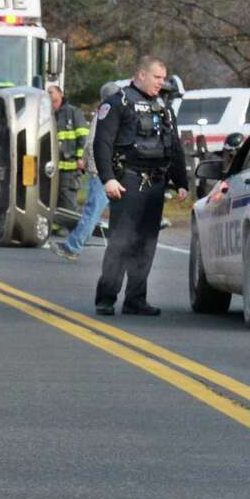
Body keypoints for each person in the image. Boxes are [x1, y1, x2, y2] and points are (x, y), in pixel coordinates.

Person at [91, 56, 188, 316]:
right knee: (121, 241)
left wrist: (181, 182)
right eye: (157, 77)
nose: (161, 83)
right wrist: (108, 178)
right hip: (128, 181)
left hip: (156, 182)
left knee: (146, 242)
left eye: (163, 78)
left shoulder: (162, 107)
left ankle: (136, 299)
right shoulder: (118, 102)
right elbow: (102, 143)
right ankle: (107, 298)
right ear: (141, 75)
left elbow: (174, 145)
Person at [51, 82, 120, 262]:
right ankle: (129, 248)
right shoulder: (123, 113)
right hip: (117, 171)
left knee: (92, 211)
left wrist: (90, 166)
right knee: (122, 213)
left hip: (102, 172)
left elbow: (92, 143)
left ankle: (72, 247)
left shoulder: (104, 114)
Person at [48, 85, 89, 229]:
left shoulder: (73, 112)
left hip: (70, 165)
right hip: (52, 166)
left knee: (67, 196)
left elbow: (83, 136)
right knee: (53, 195)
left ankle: (70, 227)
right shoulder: (47, 113)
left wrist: (80, 157)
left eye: (51, 92)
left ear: (60, 93)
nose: (49, 95)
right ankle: (55, 225)